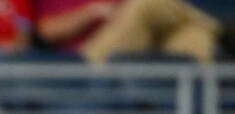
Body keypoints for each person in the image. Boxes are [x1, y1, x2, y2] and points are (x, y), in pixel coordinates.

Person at [34, 0, 221, 64]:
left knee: (194, 33)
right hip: (89, 59)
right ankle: (219, 29)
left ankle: (199, 113)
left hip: (139, 49)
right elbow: (46, 32)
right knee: (144, 3)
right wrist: (91, 12)